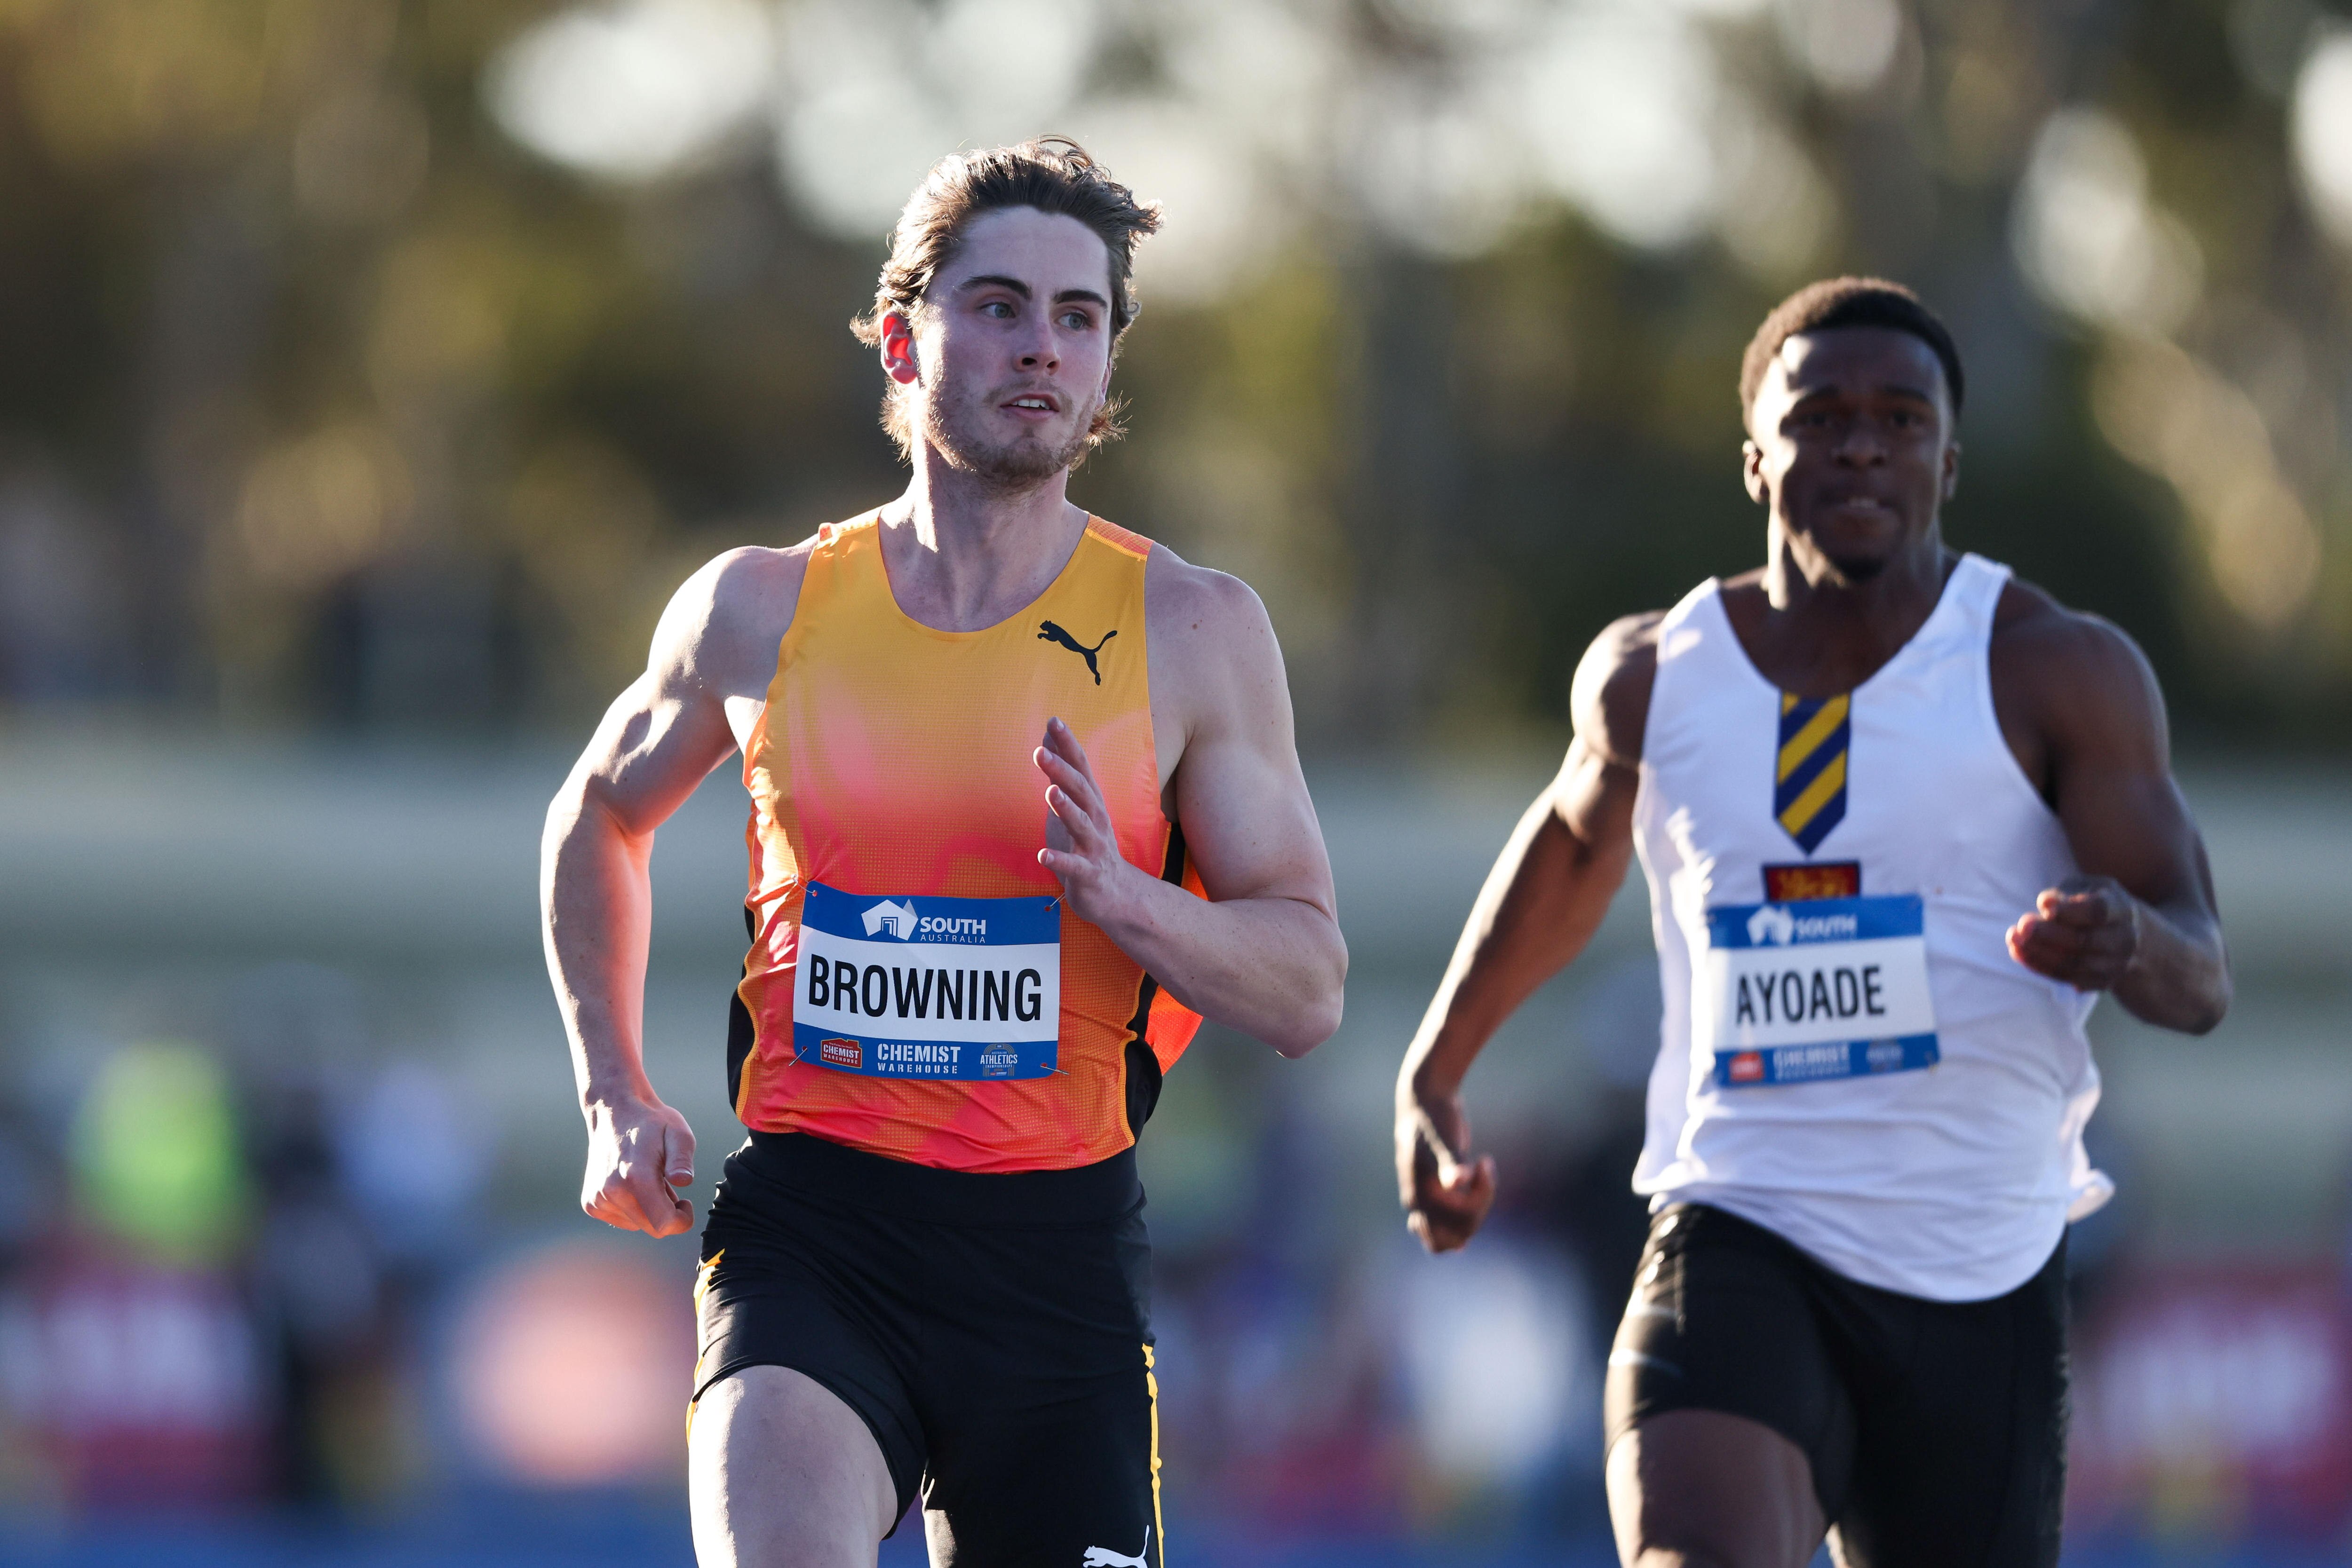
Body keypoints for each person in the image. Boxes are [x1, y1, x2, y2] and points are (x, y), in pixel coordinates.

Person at [541, 139, 1346, 1568]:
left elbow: (1306, 990)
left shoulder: (1199, 632)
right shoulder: (756, 611)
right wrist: (612, 1089)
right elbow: (598, 812)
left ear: (1105, 366)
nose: (1041, 347)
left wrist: (1131, 902)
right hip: (816, 1226)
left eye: (1078, 317)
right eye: (997, 306)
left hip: (1058, 1265)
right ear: (905, 339)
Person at [1394, 277, 2228, 1568]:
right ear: (1755, 455)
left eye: (1901, 419)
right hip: (1738, 1223)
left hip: (1980, 1266)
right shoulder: (1654, 674)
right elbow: (1569, 851)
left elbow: (2204, 970)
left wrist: (2131, 937)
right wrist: (1437, 1070)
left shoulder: (2054, 669)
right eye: (1822, 413)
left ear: (1950, 460)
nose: (1859, 444)